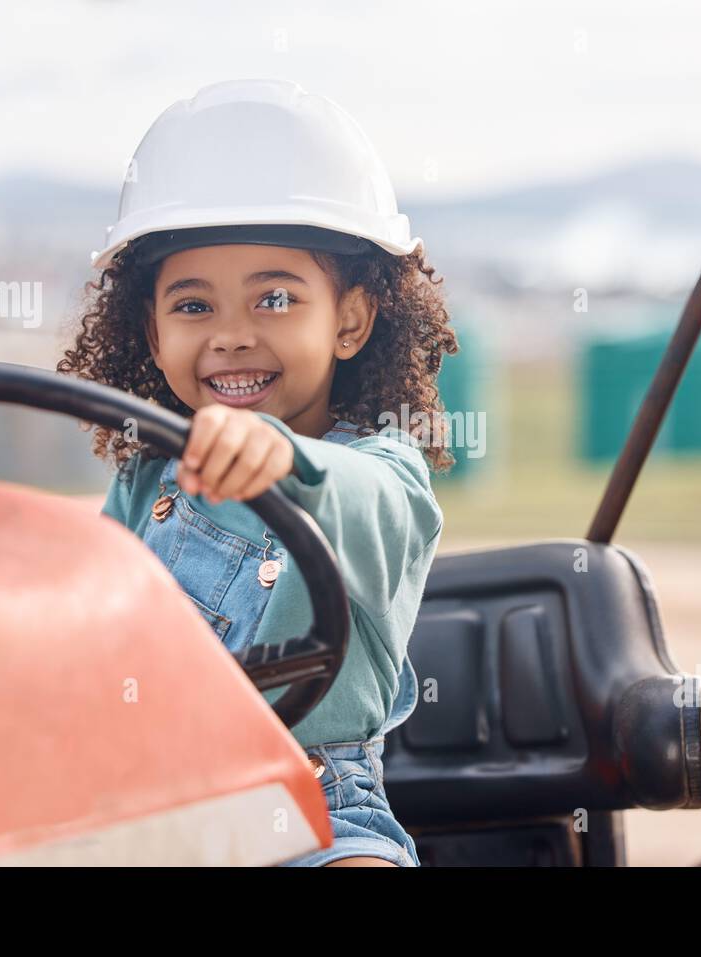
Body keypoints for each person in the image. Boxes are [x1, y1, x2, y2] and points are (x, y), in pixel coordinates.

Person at [58, 79, 458, 866]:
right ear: (152, 328)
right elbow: (85, 625)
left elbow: (367, 500)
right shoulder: (147, 481)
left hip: (314, 810)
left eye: (274, 298)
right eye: (194, 306)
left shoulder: (380, 471)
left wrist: (287, 461)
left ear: (348, 320)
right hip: (146, 810)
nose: (233, 335)